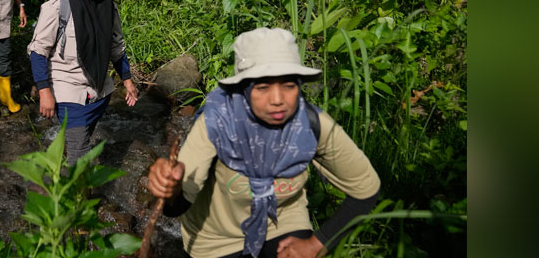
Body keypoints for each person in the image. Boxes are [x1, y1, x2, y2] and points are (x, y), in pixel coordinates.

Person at [146, 28, 380, 258]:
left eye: (288, 86)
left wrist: (317, 244)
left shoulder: (312, 125)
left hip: (282, 223)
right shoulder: (215, 125)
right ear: (242, 89)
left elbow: (366, 189)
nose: (278, 100)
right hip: (216, 237)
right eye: (263, 87)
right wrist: (170, 189)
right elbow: (176, 207)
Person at [27, 0, 138, 166]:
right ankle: (80, 195)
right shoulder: (57, 8)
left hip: (99, 92)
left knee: (81, 143)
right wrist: (44, 91)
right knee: (80, 156)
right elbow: (38, 51)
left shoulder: (109, 7)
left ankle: (67, 184)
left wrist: (127, 80)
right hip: (67, 90)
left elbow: (116, 47)